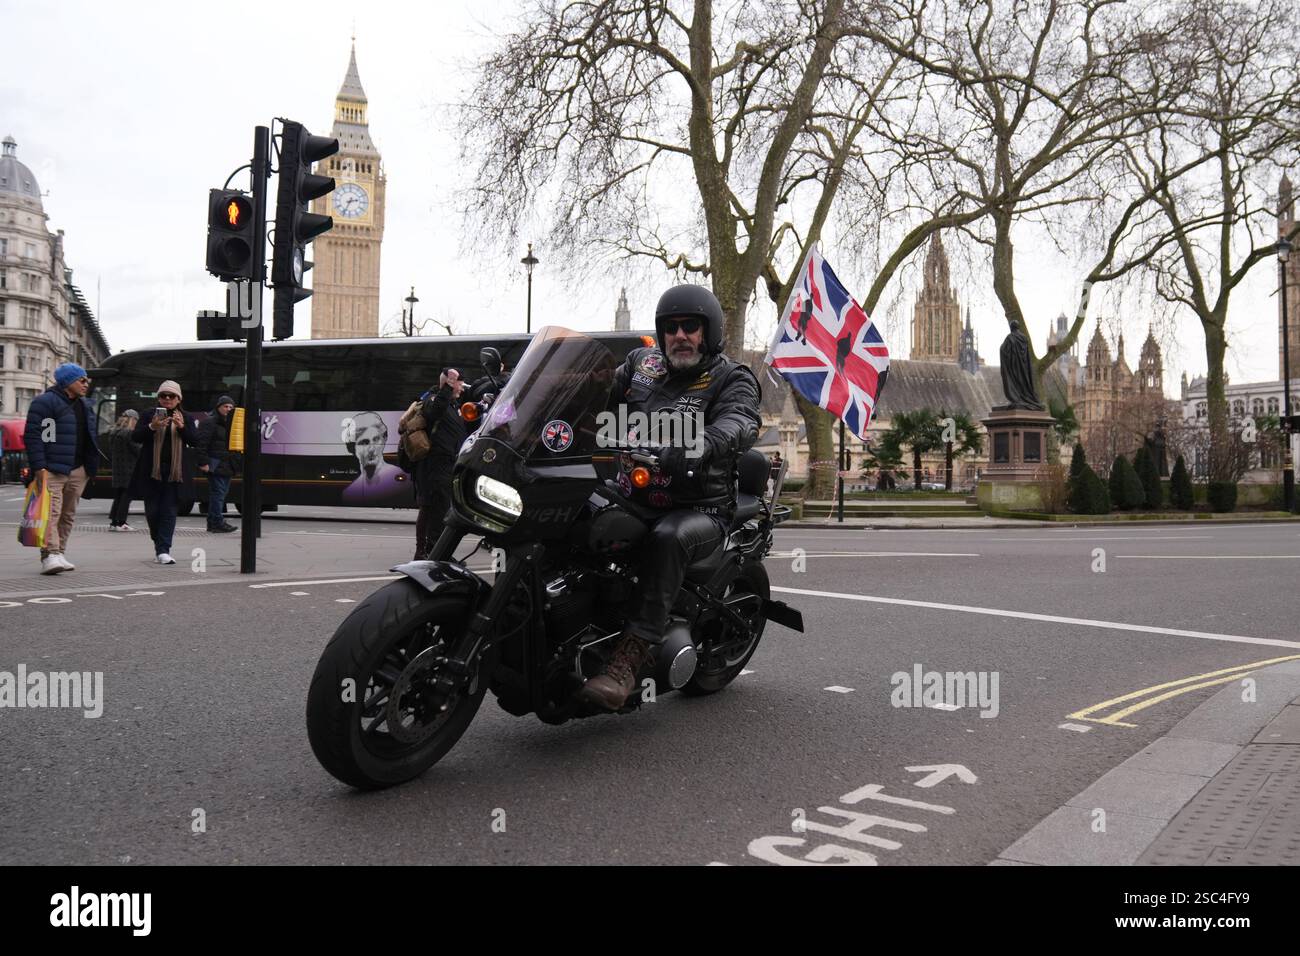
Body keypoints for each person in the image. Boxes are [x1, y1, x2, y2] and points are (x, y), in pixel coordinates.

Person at [577, 284, 762, 711]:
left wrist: (703, 442)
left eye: (690, 326)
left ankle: (629, 659)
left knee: (668, 538)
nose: (680, 335)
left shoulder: (731, 378)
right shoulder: (642, 364)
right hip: (632, 493)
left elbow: (740, 422)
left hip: (698, 507)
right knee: (574, 512)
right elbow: (597, 397)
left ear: (709, 332)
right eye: (672, 327)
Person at [23, 363, 100, 575]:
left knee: (67, 514)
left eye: (87, 380)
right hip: (53, 468)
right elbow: (34, 436)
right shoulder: (46, 402)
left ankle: (60, 553)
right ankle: (50, 555)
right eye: (82, 380)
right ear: (67, 382)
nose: (86, 384)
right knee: (51, 513)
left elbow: (89, 436)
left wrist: (88, 467)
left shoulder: (84, 405)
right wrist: (39, 467)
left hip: (78, 469)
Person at [131, 380, 198, 565]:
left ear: (179, 399)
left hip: (175, 472)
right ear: (158, 398)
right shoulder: (148, 415)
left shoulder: (186, 417)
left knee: (169, 510)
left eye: (172, 396)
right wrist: (153, 427)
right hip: (152, 471)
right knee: (152, 512)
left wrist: (182, 427)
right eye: (163, 396)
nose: (167, 399)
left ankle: (163, 550)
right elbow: (135, 437)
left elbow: (195, 441)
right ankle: (159, 543)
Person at [411, 370, 468, 560]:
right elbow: (434, 412)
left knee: (433, 508)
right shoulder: (433, 400)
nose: (462, 387)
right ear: (449, 384)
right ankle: (436, 553)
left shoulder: (451, 404)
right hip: (436, 465)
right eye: (459, 383)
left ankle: (426, 552)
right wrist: (449, 384)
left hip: (446, 464)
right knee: (439, 509)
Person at [342, 411, 409, 505]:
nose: (372, 449)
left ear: (384, 439)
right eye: (364, 443)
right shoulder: (349, 493)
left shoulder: (405, 482)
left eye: (376, 440)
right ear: (353, 449)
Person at [196, 395, 239, 534]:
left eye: (231, 407)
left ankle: (213, 522)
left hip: (226, 464)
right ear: (218, 407)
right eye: (225, 406)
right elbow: (201, 444)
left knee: (221, 493)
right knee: (218, 494)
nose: (228, 409)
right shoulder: (210, 422)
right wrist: (204, 462)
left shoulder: (230, 423)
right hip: (214, 463)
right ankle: (217, 522)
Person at [108, 409, 141, 531]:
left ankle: (113, 522)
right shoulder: (129, 434)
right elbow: (137, 450)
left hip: (117, 468)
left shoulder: (113, 433)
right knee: (126, 497)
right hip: (129, 469)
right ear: (133, 420)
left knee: (118, 496)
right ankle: (122, 522)